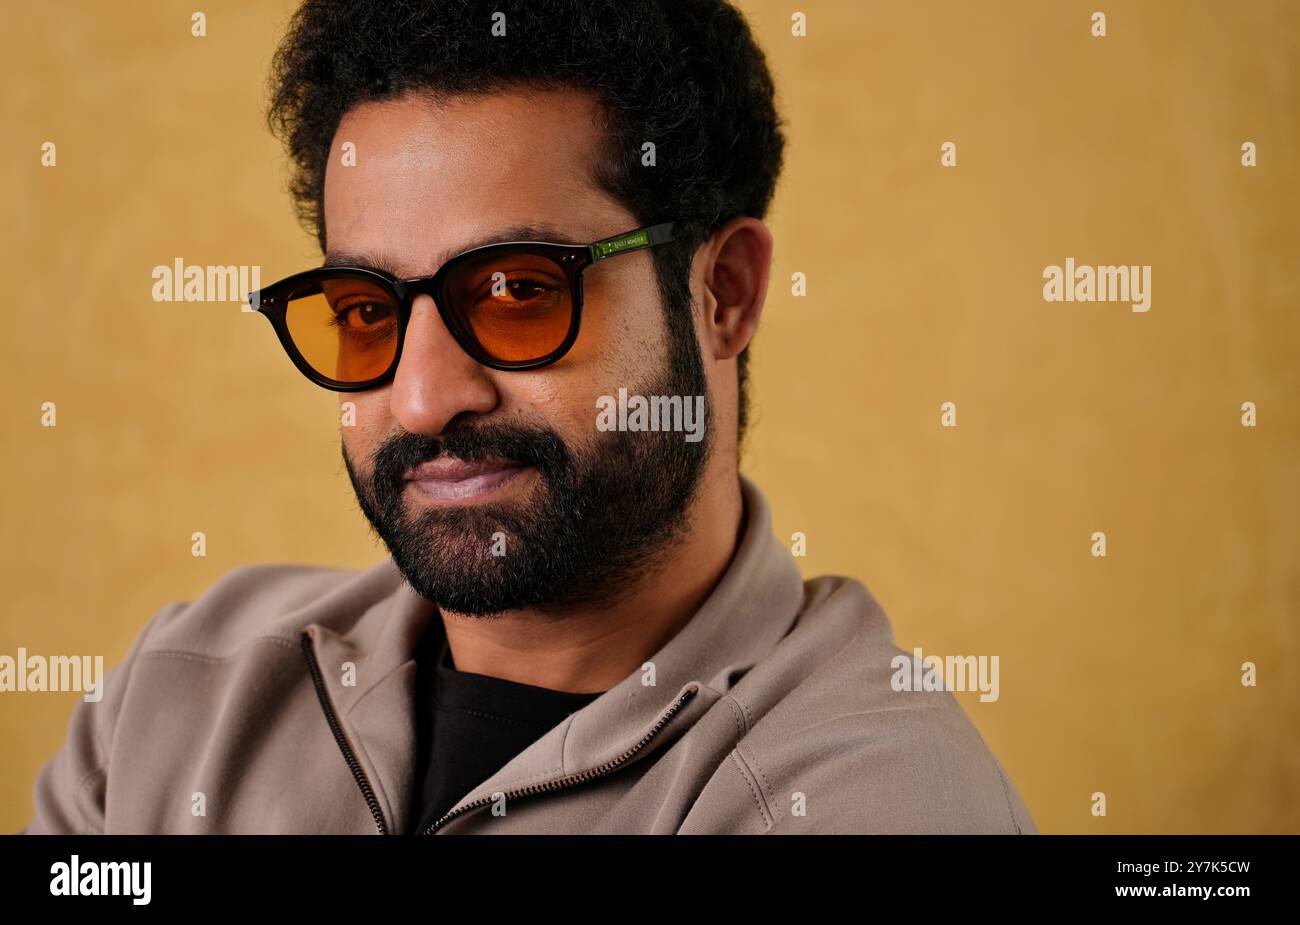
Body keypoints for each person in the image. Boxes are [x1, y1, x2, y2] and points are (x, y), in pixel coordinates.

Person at [22, 0, 1035, 834]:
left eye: (517, 291)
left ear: (722, 293)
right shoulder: (178, 697)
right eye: (368, 313)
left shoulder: (874, 803)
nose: (422, 396)